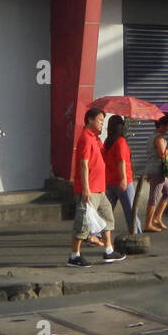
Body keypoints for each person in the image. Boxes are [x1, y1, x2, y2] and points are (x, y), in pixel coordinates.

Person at [68, 108, 126, 267]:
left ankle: (108, 251)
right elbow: (83, 164)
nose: (102, 124)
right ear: (89, 120)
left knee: (107, 216)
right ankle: (74, 256)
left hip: (100, 189)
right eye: (99, 120)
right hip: (89, 189)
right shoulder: (86, 138)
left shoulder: (95, 138)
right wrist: (86, 188)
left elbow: (103, 156)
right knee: (82, 223)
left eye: (102, 121)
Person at [103, 116, 138, 237]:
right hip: (123, 181)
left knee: (106, 211)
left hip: (110, 181)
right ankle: (136, 233)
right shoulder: (121, 142)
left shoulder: (107, 142)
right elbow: (121, 161)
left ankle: (97, 234)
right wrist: (123, 179)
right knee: (131, 211)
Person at [145, 115, 168, 232]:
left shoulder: (153, 137)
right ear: (161, 125)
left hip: (156, 171)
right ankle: (147, 224)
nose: (167, 129)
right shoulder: (158, 138)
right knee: (154, 198)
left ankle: (157, 217)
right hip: (157, 171)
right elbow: (163, 155)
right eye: (166, 126)